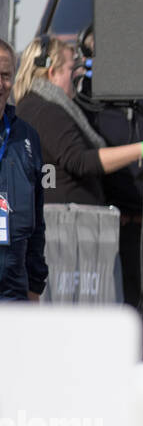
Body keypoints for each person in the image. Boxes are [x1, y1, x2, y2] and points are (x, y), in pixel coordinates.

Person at [13, 35, 143, 205]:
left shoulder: (30, 106)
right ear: (52, 73)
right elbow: (81, 161)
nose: (78, 73)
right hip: (70, 221)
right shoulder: (45, 111)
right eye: (71, 68)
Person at [0, 39, 49, 301]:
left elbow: (37, 224)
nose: (0, 84)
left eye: (5, 76)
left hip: (14, 293)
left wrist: (35, 284)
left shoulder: (27, 137)